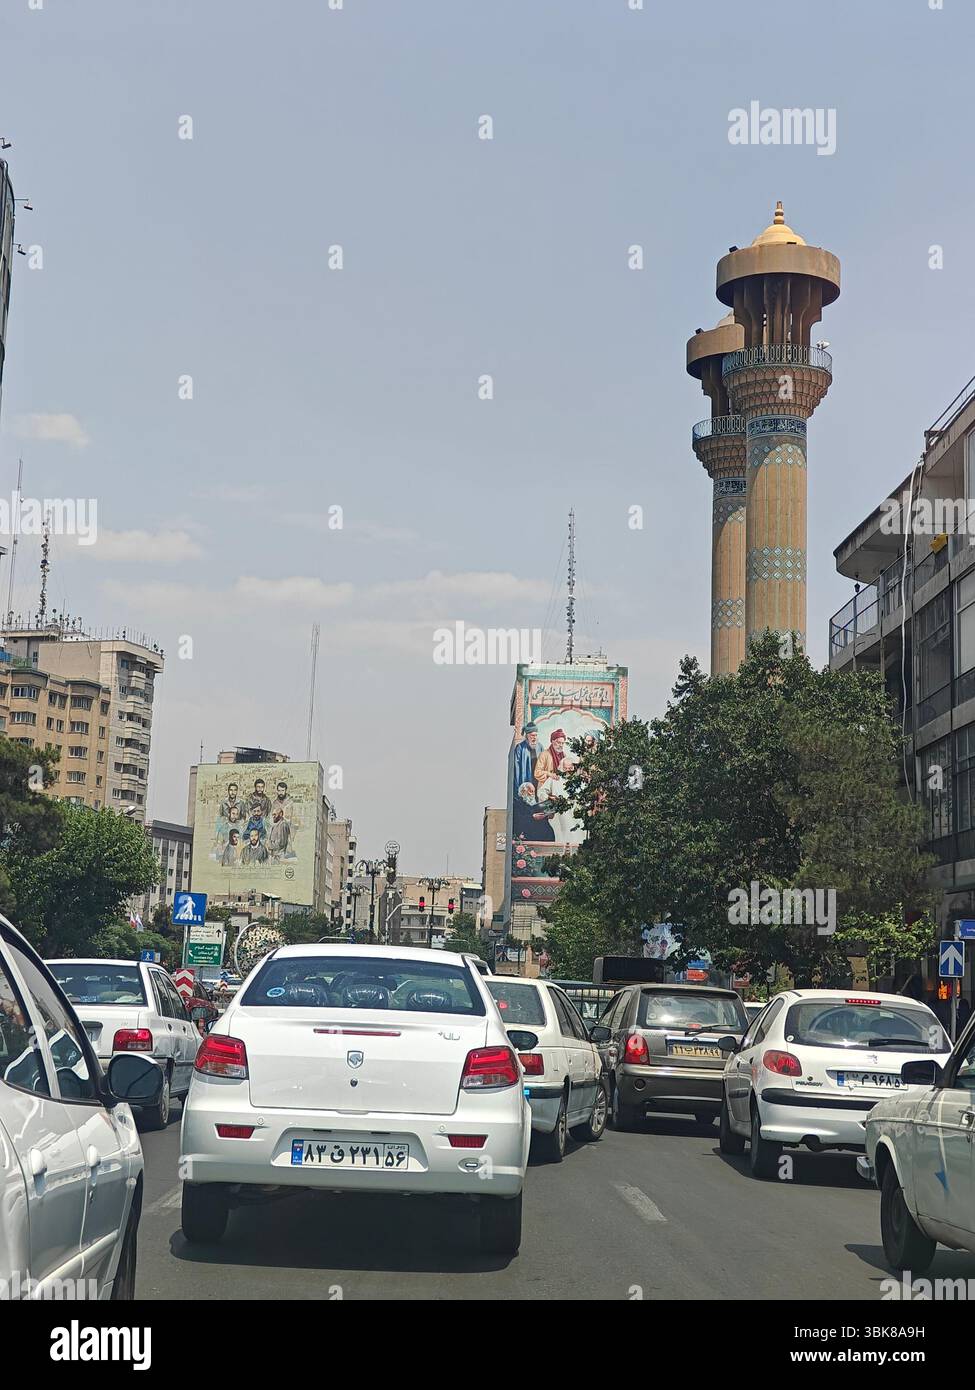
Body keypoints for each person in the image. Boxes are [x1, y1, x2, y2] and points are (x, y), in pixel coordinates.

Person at [512, 723, 538, 795]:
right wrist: (518, 786)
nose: (534, 738)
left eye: (536, 735)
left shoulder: (540, 747)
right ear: (527, 736)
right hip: (525, 780)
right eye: (532, 735)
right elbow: (516, 768)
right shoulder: (520, 747)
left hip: (537, 780)